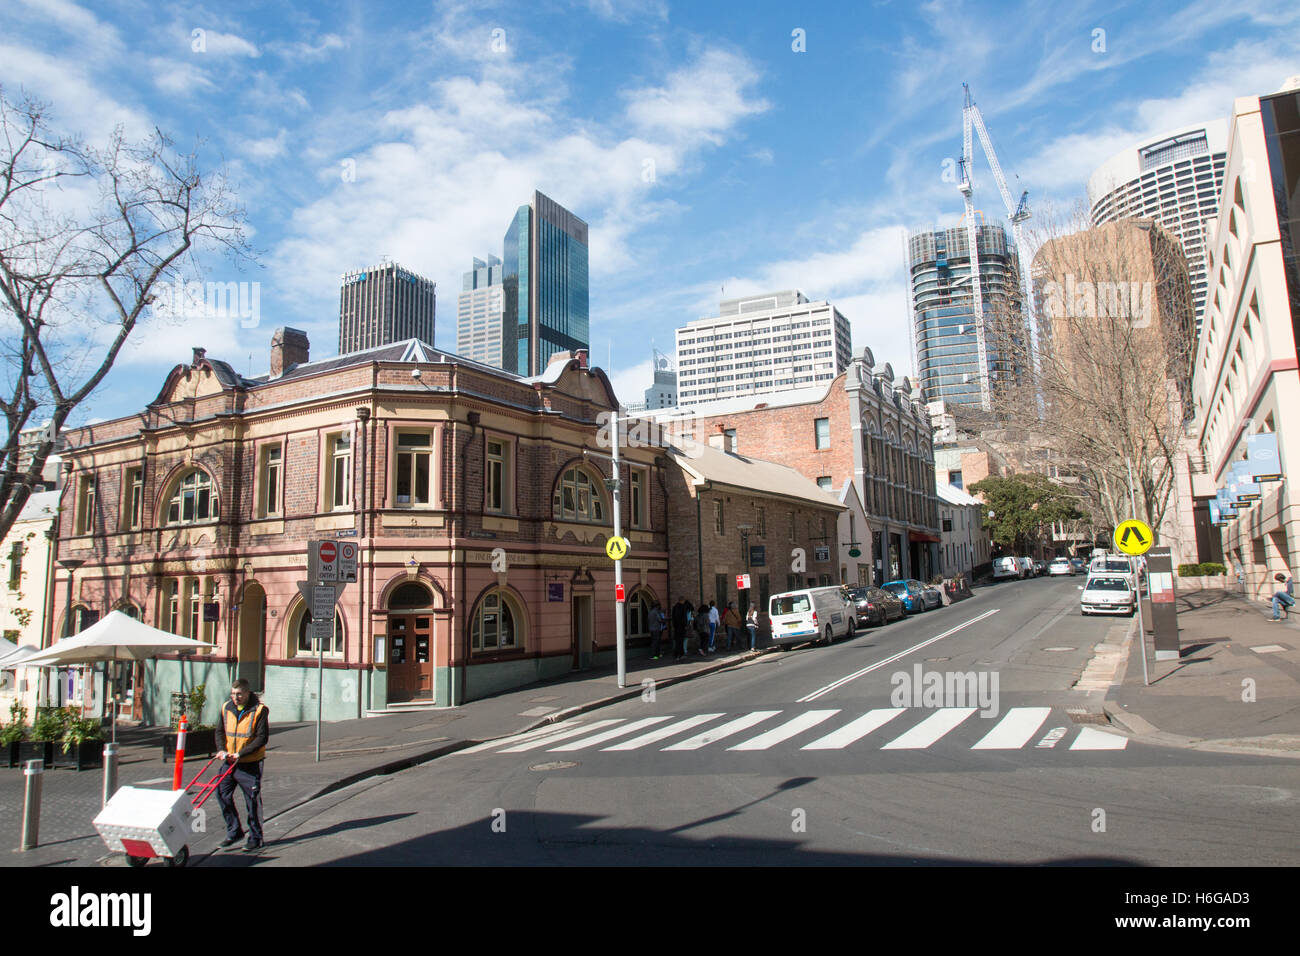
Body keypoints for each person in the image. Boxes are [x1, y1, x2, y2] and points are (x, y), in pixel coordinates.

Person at [215, 678, 270, 851]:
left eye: (239, 694)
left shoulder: (259, 710)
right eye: (233, 694)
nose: (235, 697)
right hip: (229, 762)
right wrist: (222, 750)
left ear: (247, 693)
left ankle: (255, 837)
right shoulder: (226, 708)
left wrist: (241, 753)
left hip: (249, 764)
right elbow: (219, 731)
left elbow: (262, 738)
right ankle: (234, 831)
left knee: (252, 802)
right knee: (221, 793)